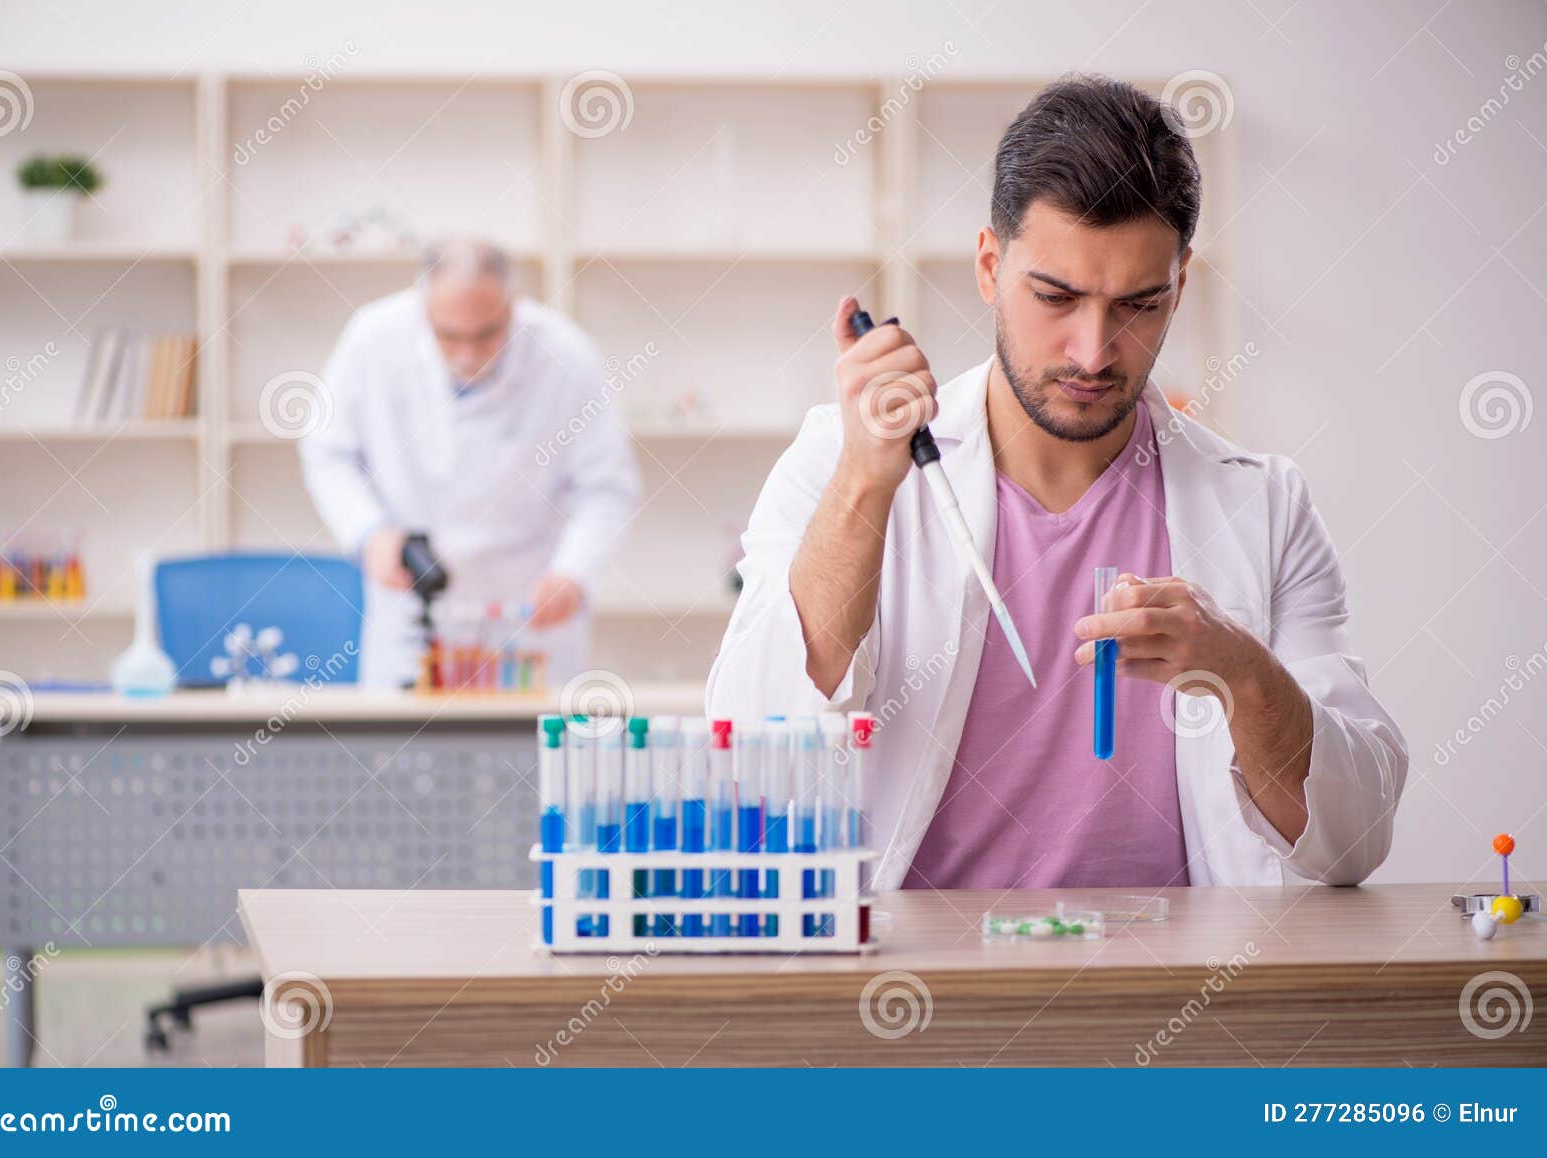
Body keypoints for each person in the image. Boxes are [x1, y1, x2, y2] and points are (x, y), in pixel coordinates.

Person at [706, 75, 1407, 891]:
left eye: (1138, 304)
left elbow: (1353, 842)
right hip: (920, 993)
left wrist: (1239, 670)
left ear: (1180, 286)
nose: (1093, 350)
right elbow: (751, 753)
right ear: (989, 264)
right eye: (1056, 296)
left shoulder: (1263, 505)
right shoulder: (842, 460)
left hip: (1171, 996)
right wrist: (866, 484)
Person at [301, 240, 640, 688]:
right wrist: (369, 534)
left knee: (529, 754)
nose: (467, 354)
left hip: (526, 606)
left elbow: (607, 488)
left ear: (511, 305)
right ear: (423, 307)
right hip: (409, 602)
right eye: (449, 335)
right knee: (402, 750)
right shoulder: (373, 338)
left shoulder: (568, 355)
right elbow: (327, 451)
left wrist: (573, 573)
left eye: (486, 334)